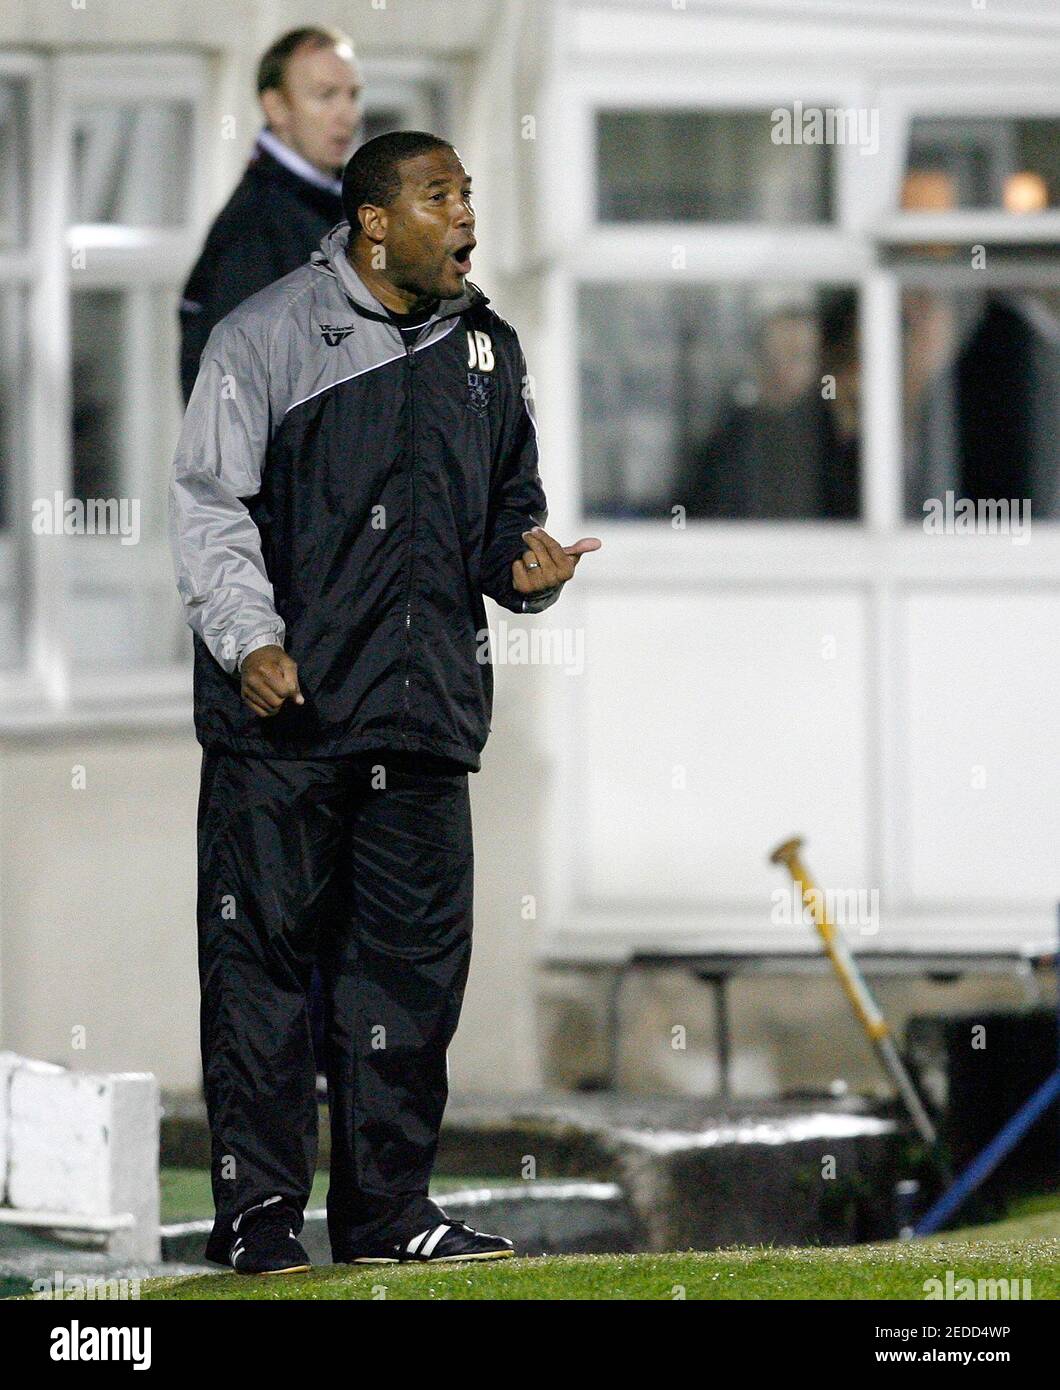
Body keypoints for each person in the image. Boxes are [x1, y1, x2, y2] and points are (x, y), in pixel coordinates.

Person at [169, 129, 601, 1273]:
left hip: (419, 726)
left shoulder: (487, 351)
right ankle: (259, 1219)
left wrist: (526, 571)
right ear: (374, 220)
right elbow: (209, 507)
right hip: (288, 723)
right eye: (440, 195)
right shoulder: (262, 335)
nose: (466, 216)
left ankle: (388, 1214)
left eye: (469, 194)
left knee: (406, 982)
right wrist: (248, 639)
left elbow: (506, 514)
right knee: (260, 978)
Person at [178, 25, 363, 405]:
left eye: (353, 95)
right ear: (277, 107)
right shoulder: (254, 227)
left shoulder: (351, 207)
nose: (347, 114)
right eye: (326, 95)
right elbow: (234, 403)